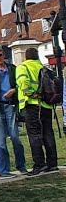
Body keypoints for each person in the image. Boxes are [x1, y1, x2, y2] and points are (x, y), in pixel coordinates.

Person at [0, 48, 28, 177]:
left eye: (0, 55)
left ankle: (21, 166)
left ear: (4, 55)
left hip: (10, 106)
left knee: (15, 137)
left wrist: (14, 90)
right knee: (0, 140)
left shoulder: (12, 69)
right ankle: (3, 170)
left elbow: (20, 85)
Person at [16, 47, 59, 175]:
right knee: (48, 133)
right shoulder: (43, 67)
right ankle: (52, 163)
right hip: (46, 105)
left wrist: (31, 93)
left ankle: (39, 164)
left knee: (34, 135)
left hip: (32, 105)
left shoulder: (23, 67)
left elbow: (23, 82)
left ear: (25, 57)